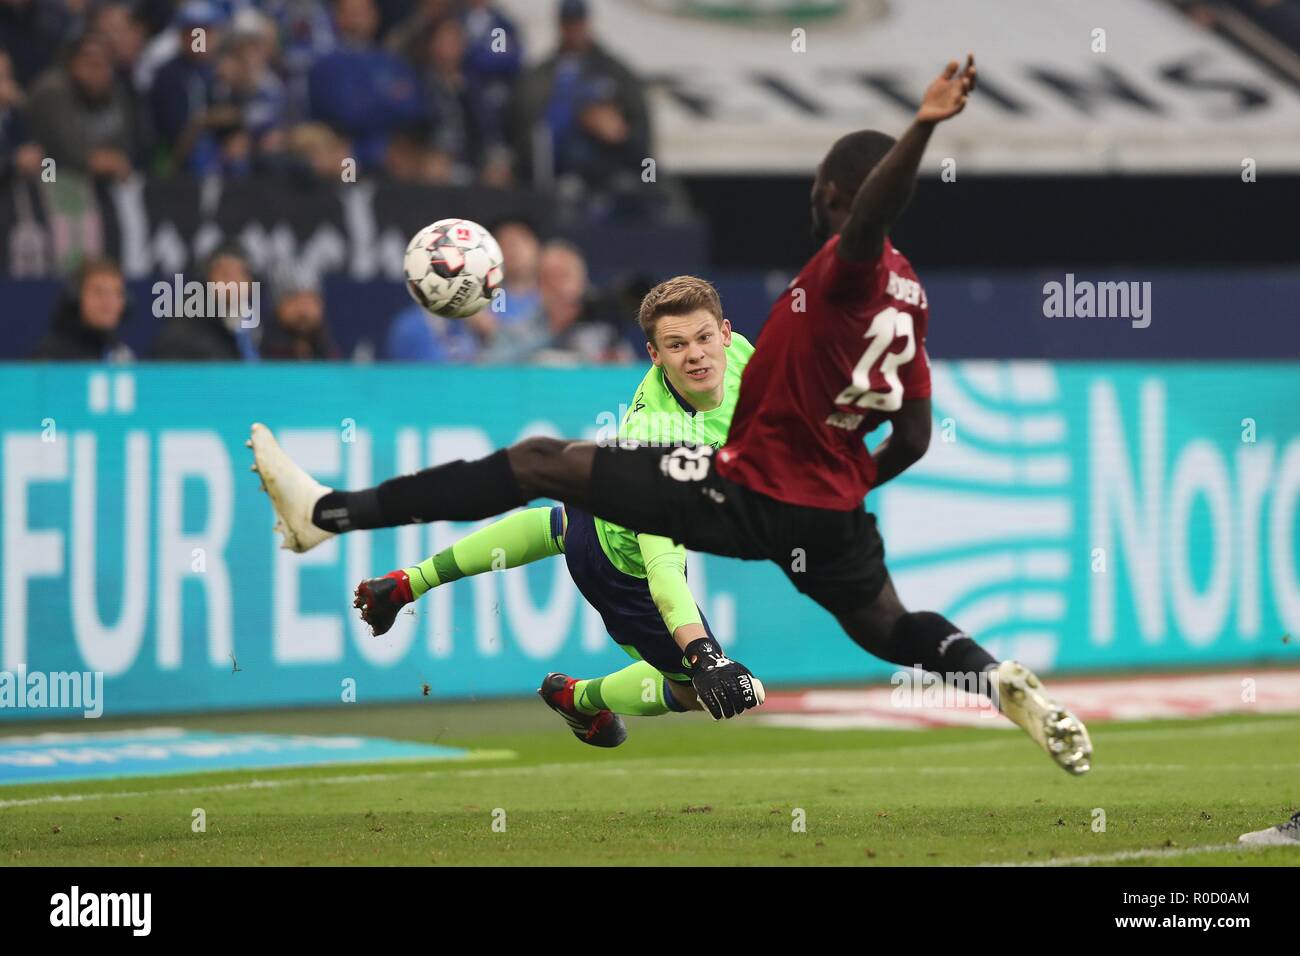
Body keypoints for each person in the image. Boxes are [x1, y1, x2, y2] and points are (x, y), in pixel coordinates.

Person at [249, 56, 1094, 773]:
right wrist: (839, 482)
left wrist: (923, 127)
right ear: (656, 351)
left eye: (820, 190)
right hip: (829, 507)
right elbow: (911, 434)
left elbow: (871, 215)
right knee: (890, 625)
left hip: (748, 493)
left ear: (840, 197)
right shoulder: (910, 296)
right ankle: (990, 676)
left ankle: (332, 514)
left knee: (544, 461)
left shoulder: (849, 263)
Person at [357, 277, 753, 744]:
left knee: (558, 525)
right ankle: (579, 700)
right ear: (654, 354)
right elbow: (664, 573)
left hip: (595, 496)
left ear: (726, 333)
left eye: (705, 338)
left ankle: (408, 583)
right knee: (692, 692)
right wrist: (705, 654)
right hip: (620, 567)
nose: (696, 354)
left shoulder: (744, 355)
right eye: (676, 345)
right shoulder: (660, 444)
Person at [32, 258, 135, 362]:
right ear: (75, 299)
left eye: (117, 293)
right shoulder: (50, 356)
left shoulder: (121, 354)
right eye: (98, 292)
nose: (109, 302)